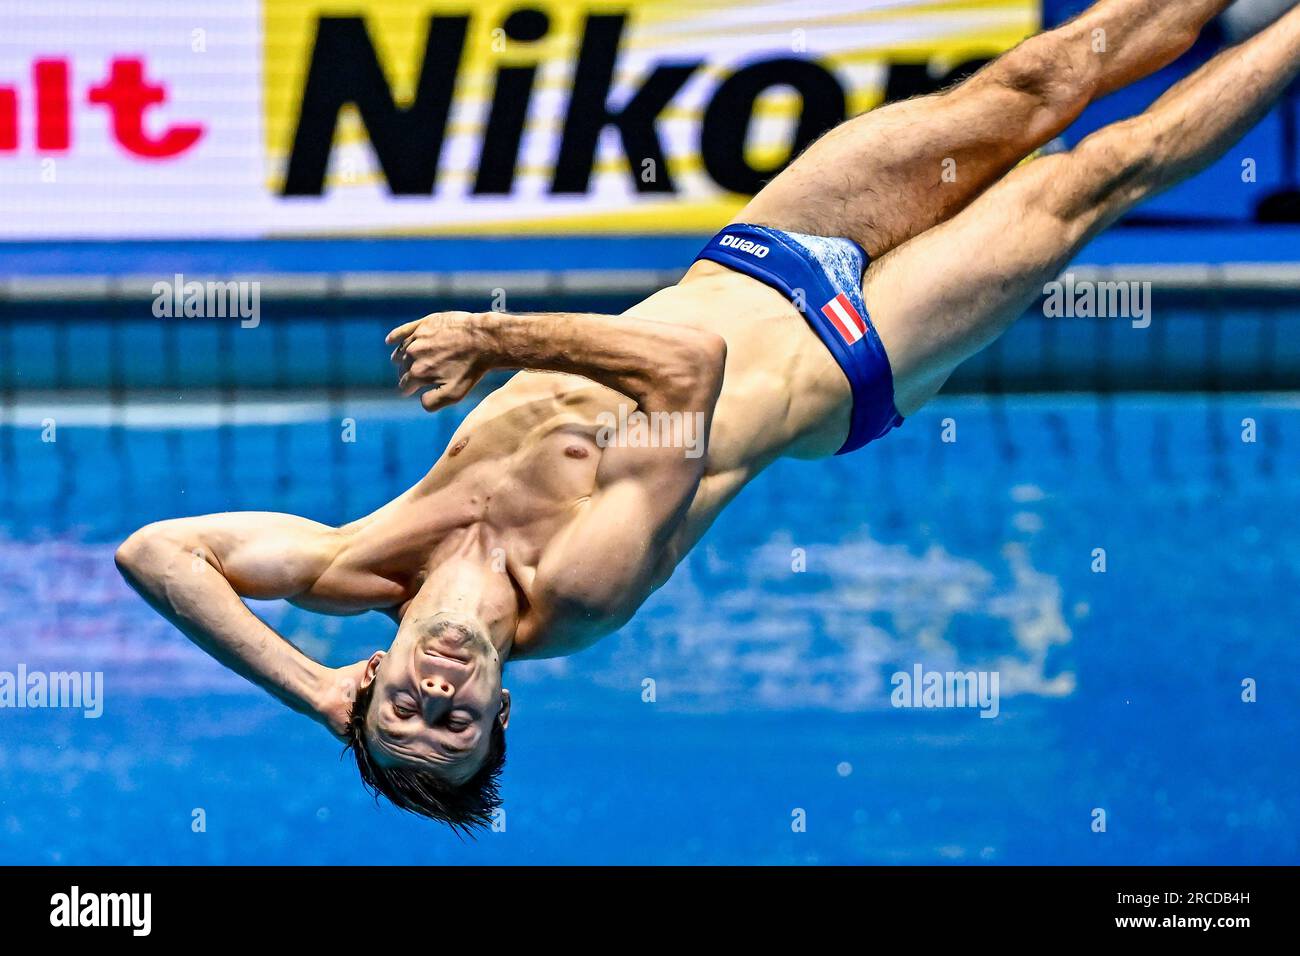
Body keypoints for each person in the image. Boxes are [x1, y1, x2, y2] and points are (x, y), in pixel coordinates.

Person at [117, 0, 1298, 831]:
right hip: (859, 351)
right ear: (501, 708)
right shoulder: (574, 592)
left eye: (405, 709)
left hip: (765, 249)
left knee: (1034, 84)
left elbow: (155, 551)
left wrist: (313, 694)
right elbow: (683, 377)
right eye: (459, 720)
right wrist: (497, 336)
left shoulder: (346, 566)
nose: (439, 692)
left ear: (371, 680)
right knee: (1092, 173)